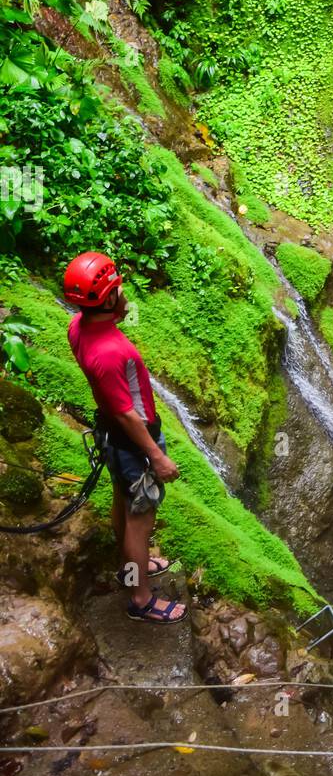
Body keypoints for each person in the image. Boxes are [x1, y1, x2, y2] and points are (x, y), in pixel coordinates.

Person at [64, 251, 186, 625]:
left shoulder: (79, 328)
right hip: (134, 441)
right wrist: (157, 455)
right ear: (109, 296)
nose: (123, 290)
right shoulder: (111, 352)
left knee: (123, 500)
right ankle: (140, 597)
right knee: (141, 518)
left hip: (114, 439)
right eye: (117, 286)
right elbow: (125, 412)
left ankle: (132, 568)